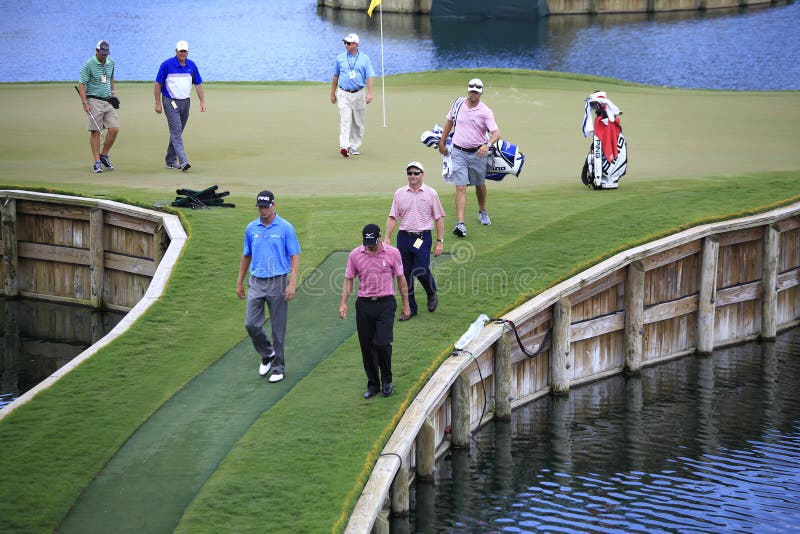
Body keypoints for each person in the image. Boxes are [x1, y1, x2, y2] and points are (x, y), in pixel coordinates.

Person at [339, 224, 411, 399]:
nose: (370, 246)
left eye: (373, 242)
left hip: (386, 303)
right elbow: (349, 279)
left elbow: (401, 279)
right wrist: (343, 303)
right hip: (364, 304)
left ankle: (387, 381)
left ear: (379, 237)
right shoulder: (355, 254)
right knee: (366, 346)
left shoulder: (392, 253)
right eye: (367, 242)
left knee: (382, 343)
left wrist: (406, 304)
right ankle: (373, 384)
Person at [237, 190, 301, 384]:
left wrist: (292, 283)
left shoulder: (285, 228)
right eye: (260, 207)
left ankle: (279, 367)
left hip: (278, 281)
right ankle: (267, 353)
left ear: (273, 206)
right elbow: (246, 255)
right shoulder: (251, 228)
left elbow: (295, 255)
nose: (262, 211)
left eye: (265, 207)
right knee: (251, 324)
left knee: (277, 328)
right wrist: (239, 281)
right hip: (256, 281)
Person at [437, 78, 500, 238]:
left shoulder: (485, 111)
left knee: (479, 184)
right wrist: (442, 141)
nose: (474, 93)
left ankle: (482, 210)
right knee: (461, 187)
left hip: (477, 153)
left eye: (477, 91)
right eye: (472, 90)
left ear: (481, 93)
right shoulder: (458, 104)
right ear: (468, 90)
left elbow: (496, 133)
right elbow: (449, 122)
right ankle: (460, 224)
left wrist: (486, 145)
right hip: (458, 152)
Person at [384, 161, 445, 321]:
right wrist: (387, 237)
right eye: (410, 173)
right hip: (404, 237)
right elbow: (393, 217)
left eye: (416, 173)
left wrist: (440, 241)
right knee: (404, 274)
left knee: (420, 269)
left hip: (422, 237)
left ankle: (431, 293)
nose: (413, 176)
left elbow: (438, 218)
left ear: (422, 174)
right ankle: (410, 308)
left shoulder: (431, 193)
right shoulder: (399, 193)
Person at [154, 40, 206, 171]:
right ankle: (183, 161)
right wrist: (157, 103)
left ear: (187, 52)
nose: (182, 53)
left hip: (185, 102)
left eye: (184, 51)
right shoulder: (166, 65)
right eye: (180, 51)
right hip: (170, 101)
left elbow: (198, 84)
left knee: (177, 131)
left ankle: (170, 160)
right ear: (176, 51)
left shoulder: (192, 65)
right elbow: (158, 84)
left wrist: (202, 101)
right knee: (176, 131)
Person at [330, 32, 375, 158]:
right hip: (343, 93)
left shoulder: (365, 58)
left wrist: (370, 94)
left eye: (348, 43)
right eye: (345, 43)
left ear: (356, 44)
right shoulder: (340, 58)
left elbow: (370, 76)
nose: (346, 45)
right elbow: (335, 76)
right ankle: (344, 146)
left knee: (358, 122)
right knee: (345, 120)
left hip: (360, 93)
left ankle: (354, 146)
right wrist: (332, 93)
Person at [77, 40, 119, 174]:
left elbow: (111, 77)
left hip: (108, 100)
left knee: (114, 129)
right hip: (94, 100)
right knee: (95, 131)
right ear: (96, 51)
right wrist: (85, 103)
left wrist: (113, 94)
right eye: (102, 53)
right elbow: (82, 84)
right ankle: (96, 162)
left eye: (106, 54)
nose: (104, 56)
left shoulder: (111, 62)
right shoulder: (89, 65)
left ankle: (104, 155)